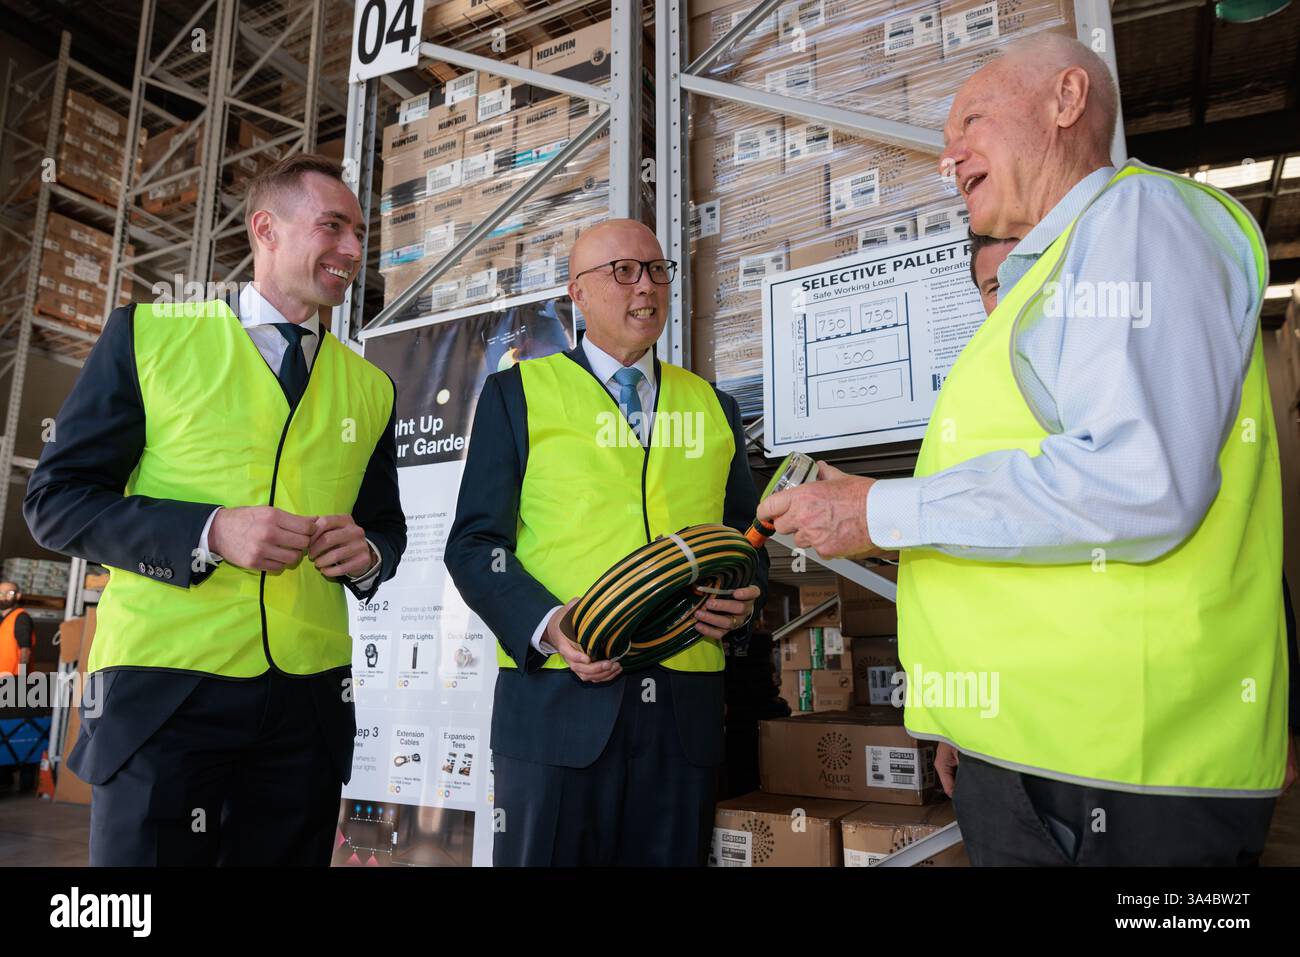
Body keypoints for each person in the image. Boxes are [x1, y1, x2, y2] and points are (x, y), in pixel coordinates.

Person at [759, 33, 1288, 866]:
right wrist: (965, 723)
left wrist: (876, 509)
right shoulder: (1054, 277)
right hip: (1043, 761)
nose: (948, 158)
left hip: (1125, 773)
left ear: (1066, 101)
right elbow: (1029, 514)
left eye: (970, 121)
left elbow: (1137, 482)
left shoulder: (1138, 223)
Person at [24, 154, 406, 866]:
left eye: (360, 233)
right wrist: (208, 531)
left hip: (307, 706)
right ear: (266, 229)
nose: (354, 249)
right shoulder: (148, 337)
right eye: (333, 226)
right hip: (165, 692)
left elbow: (385, 526)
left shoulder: (371, 388)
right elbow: (56, 501)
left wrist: (371, 553)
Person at [445, 219, 768, 866]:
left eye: (656, 270)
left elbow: (746, 541)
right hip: (558, 706)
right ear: (578, 294)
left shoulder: (713, 406)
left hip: (683, 712)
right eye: (623, 271)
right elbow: (475, 544)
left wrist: (741, 601)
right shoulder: (517, 394)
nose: (645, 285)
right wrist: (549, 624)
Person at [933, 230, 1017, 796]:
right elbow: (967, 576)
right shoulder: (972, 402)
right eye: (992, 287)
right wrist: (954, 718)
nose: (1008, 297)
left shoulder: (1117, 366)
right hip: (996, 723)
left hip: (1121, 725)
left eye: (1024, 276)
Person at [0, 582, 34, 675]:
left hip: (12, 677)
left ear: (18, 596)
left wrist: (21, 678)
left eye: (9, 593)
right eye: (0, 593)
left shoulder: (21, 617)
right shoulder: (3, 618)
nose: (3, 596)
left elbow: (25, 651)